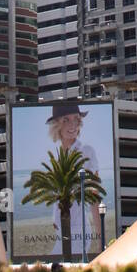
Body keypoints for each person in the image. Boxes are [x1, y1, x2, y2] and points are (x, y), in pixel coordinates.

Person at [45, 101, 103, 257]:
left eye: (76, 119)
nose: (73, 125)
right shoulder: (57, 156)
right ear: (57, 125)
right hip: (61, 232)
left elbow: (94, 196)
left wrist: (100, 242)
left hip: (78, 232)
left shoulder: (86, 151)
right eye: (66, 120)